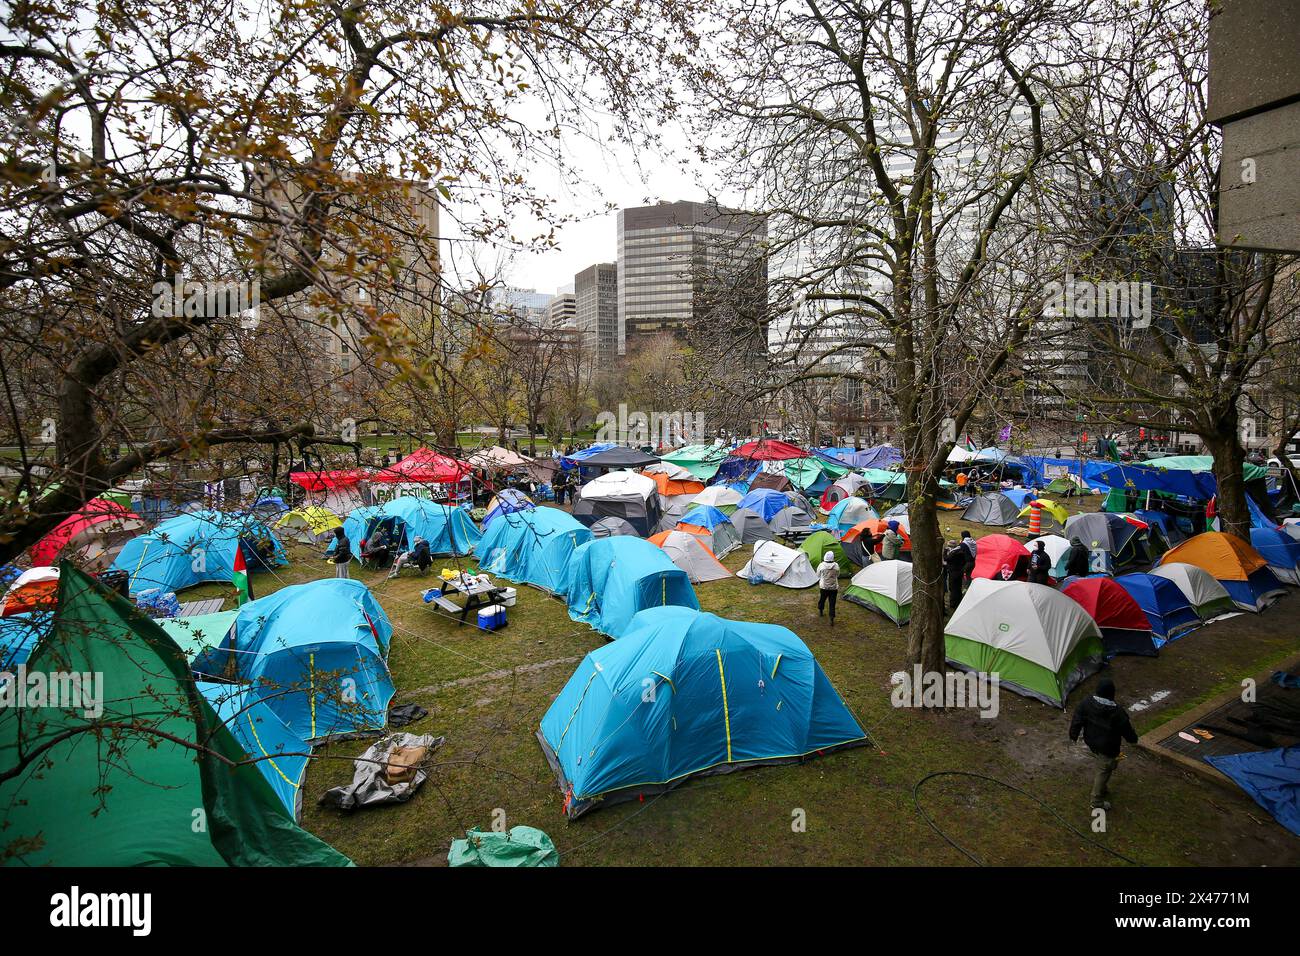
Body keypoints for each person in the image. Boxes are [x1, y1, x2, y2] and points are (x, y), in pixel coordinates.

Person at [1069, 677, 1138, 810]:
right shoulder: (1118, 712)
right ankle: (1096, 801)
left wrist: (1073, 735)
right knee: (1104, 770)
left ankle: (1102, 787)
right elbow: (1127, 730)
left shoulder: (1087, 703)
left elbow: (1077, 719)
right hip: (1108, 748)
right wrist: (1133, 739)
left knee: (1103, 766)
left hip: (1091, 741)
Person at [816, 550, 840, 625]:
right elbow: (838, 574)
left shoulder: (821, 565)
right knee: (832, 603)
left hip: (824, 587)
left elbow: (818, 575)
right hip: (834, 587)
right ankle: (831, 618)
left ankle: (821, 610)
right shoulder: (836, 565)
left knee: (822, 599)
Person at [943, 540, 968, 611]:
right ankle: (959, 601)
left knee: (952, 588)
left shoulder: (954, 553)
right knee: (958, 587)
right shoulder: (961, 551)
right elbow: (964, 561)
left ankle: (953, 604)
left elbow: (946, 558)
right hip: (960, 571)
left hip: (953, 572)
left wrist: (945, 551)